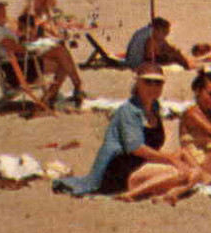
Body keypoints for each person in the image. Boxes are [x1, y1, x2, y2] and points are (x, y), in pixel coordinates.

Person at [53, 64, 199, 200]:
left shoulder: (154, 107)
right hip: (120, 170)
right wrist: (171, 160)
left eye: (158, 82)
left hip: (140, 164)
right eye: (148, 82)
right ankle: (130, 194)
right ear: (138, 83)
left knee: (189, 162)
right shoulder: (128, 111)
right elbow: (136, 148)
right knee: (179, 172)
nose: (153, 86)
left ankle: (176, 191)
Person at [0, 0, 84, 114]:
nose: (5, 14)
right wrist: (34, 47)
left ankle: (53, 95)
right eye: (2, 12)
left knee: (62, 57)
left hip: (20, 64)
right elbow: (15, 48)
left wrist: (28, 42)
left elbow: (14, 46)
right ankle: (68, 89)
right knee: (62, 56)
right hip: (18, 69)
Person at [123, 16, 191, 70]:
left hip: (149, 59)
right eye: (164, 32)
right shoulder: (150, 40)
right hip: (145, 62)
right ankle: (187, 67)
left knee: (176, 54)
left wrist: (172, 51)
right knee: (176, 56)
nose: (166, 35)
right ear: (157, 30)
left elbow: (167, 47)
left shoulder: (155, 37)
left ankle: (186, 65)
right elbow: (150, 56)